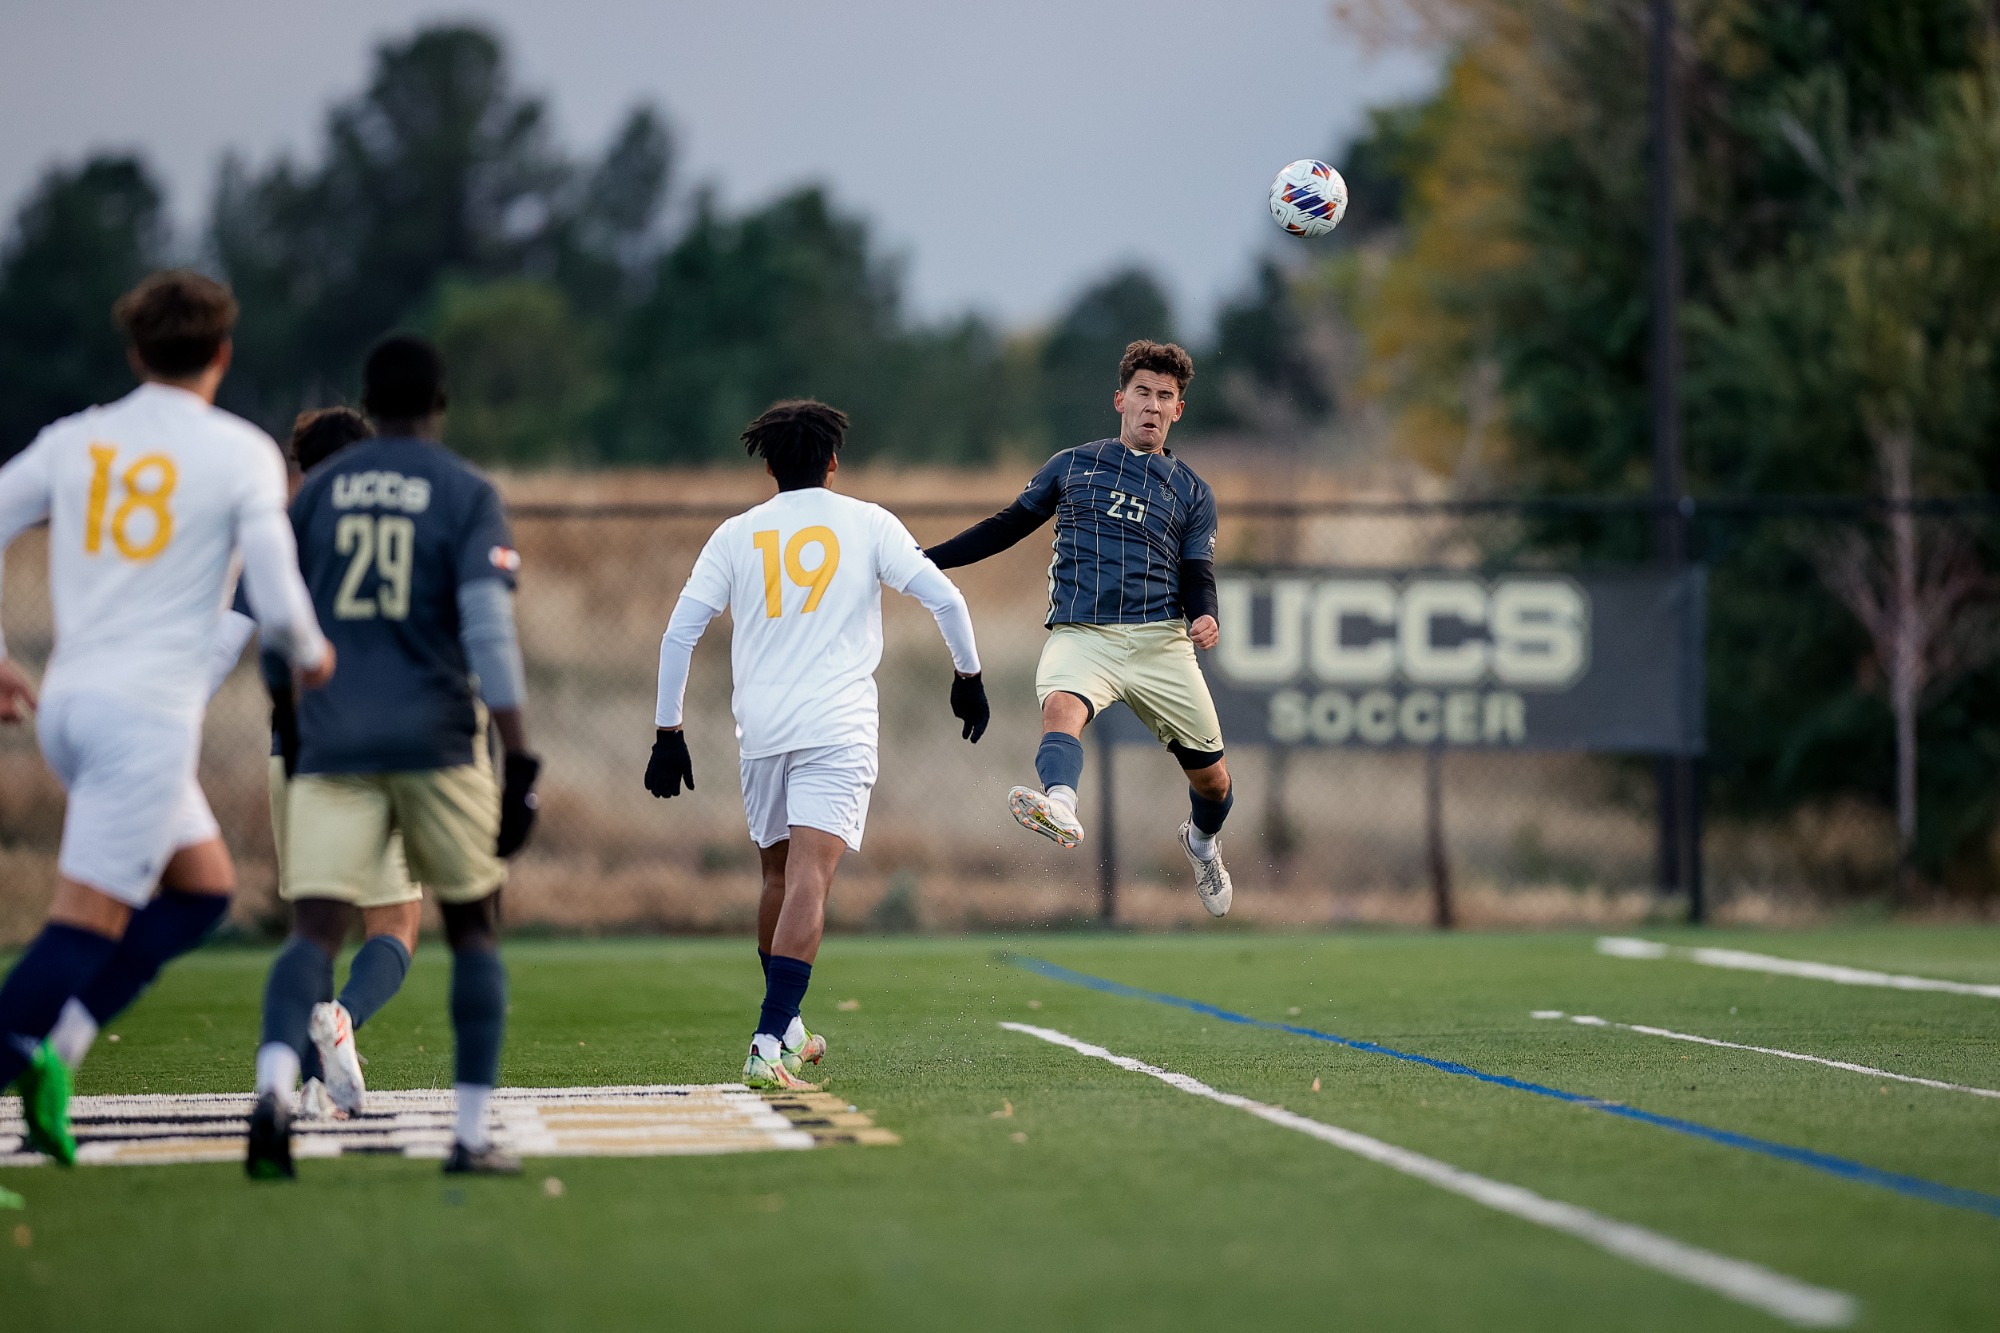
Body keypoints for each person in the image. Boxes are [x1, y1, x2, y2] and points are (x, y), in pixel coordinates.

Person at [0, 270, 333, 1163]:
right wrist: (312, 653)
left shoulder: (78, 439)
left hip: (69, 706)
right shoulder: (240, 452)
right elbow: (273, 575)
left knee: (201, 889)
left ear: (135, 353)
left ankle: (54, 1053)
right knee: (86, 921)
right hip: (142, 723)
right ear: (222, 354)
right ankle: (25, 1047)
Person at [43, 407, 411, 1124]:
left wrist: (165, 723)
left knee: (313, 924)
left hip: (297, 752)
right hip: (385, 747)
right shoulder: (399, 535)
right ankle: (342, 1020)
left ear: (299, 472)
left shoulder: (284, 538)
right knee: (394, 919)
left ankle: (309, 1078)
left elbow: (219, 647)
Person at [246, 334, 540, 1179]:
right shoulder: (465, 491)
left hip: (332, 735)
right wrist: (517, 754)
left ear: (368, 407)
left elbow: (278, 621)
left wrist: (287, 712)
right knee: (472, 928)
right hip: (438, 741)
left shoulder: (313, 496)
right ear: (440, 403)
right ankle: (470, 1133)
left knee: (311, 927)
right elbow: (487, 631)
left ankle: (273, 1091)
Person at [644, 400, 987, 1090]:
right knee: (810, 878)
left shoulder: (736, 534)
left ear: (768, 465)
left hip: (762, 730)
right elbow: (947, 599)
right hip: (837, 727)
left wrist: (667, 730)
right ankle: (769, 1038)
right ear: (833, 462)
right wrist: (968, 674)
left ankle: (788, 1025)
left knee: (776, 876)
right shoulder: (868, 522)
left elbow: (680, 632)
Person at [924, 339, 1236, 917]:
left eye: (1165, 396)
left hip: (1160, 642)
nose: (1152, 404)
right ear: (1120, 399)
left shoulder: (1193, 492)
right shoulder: (1073, 464)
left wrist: (1206, 613)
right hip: (1082, 634)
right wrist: (925, 559)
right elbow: (1005, 526)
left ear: (1178, 411)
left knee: (1215, 784)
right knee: (1061, 708)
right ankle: (1061, 805)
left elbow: (1197, 571)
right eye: (1142, 392)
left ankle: (1201, 842)